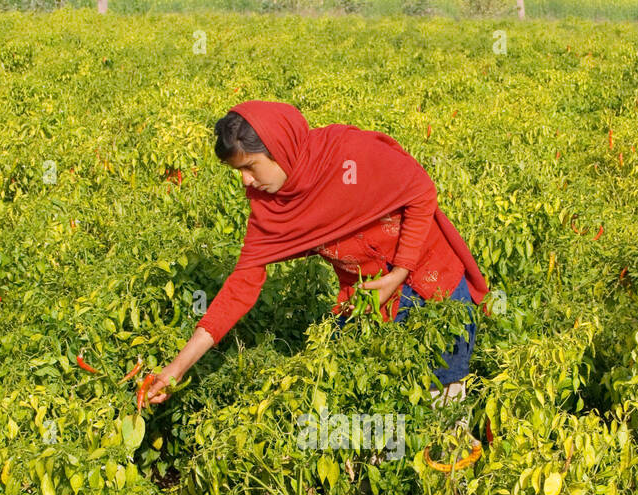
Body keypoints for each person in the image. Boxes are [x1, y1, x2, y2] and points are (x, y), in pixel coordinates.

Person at [142, 101, 490, 409]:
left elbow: (420, 192)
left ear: (280, 149)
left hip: (430, 276)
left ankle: (448, 471)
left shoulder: (349, 155)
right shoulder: (271, 206)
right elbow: (241, 285)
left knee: (440, 396)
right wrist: (177, 368)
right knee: (372, 394)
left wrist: (399, 272)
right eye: (238, 172)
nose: (246, 181)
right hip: (369, 295)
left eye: (250, 167)